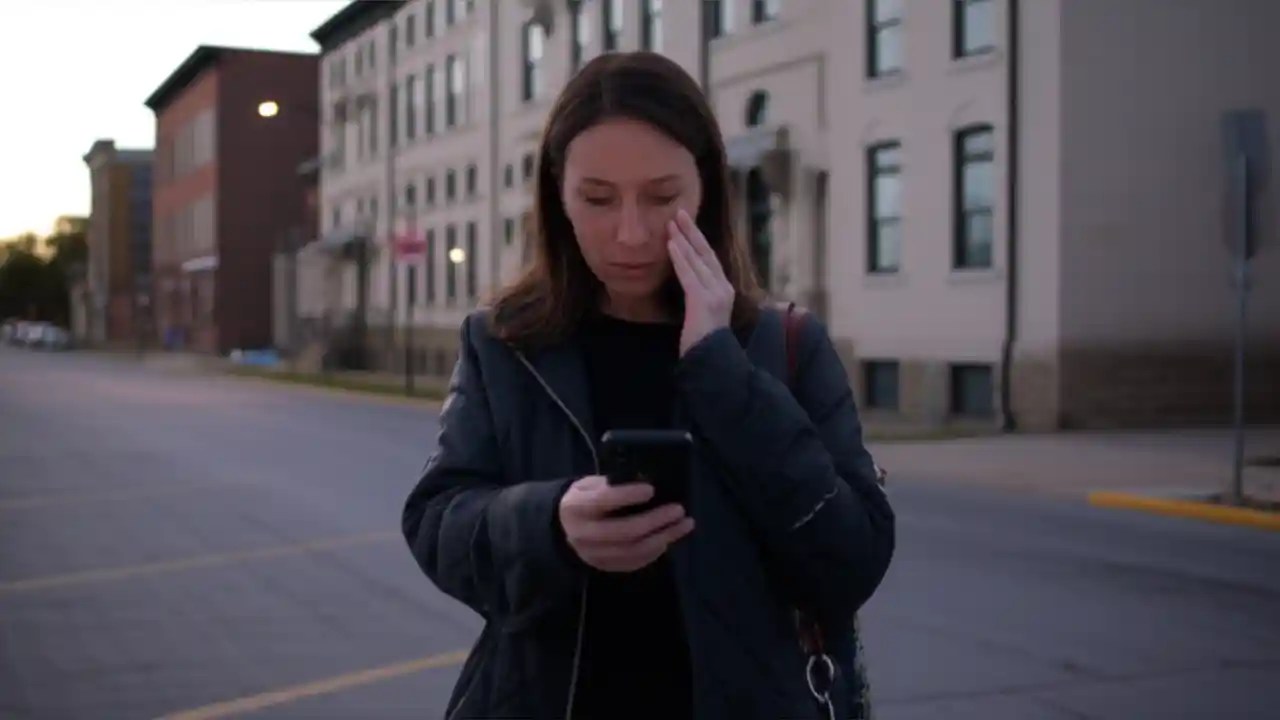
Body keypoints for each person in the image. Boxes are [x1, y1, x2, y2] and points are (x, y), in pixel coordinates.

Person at [401, 51, 895, 720]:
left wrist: (722, 369)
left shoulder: (788, 346)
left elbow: (850, 562)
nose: (630, 234)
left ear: (706, 190)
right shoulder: (505, 344)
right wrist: (550, 527)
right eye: (597, 198)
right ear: (558, 195)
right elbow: (438, 522)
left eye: (663, 197)